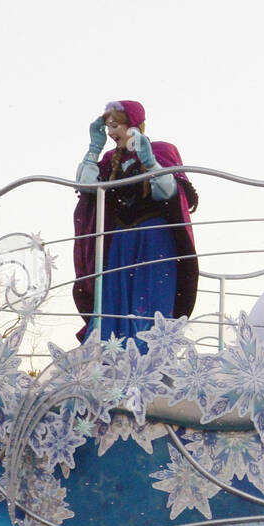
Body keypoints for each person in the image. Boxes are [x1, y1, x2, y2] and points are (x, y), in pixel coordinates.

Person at [72, 100, 198, 344]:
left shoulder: (163, 150)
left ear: (134, 125)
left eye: (116, 125)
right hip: (121, 242)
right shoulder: (110, 159)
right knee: (115, 298)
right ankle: (111, 355)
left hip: (154, 240)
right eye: (108, 127)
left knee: (151, 297)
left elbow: (168, 192)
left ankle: (149, 356)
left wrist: (150, 162)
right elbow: (87, 187)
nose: (111, 132)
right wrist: (93, 149)